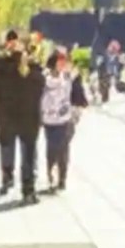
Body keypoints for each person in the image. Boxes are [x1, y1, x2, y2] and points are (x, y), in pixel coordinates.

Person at [0, 31, 45, 204]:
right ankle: (28, 189)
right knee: (28, 154)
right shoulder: (33, 67)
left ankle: (8, 176)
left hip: (6, 116)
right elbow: (42, 89)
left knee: (9, 149)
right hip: (27, 117)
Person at [40, 48, 88, 193]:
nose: (62, 64)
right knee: (51, 149)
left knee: (63, 148)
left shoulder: (70, 77)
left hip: (65, 119)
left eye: (64, 61)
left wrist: (77, 110)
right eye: (59, 61)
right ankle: (51, 174)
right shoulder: (44, 78)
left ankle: (62, 178)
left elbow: (79, 95)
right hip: (48, 119)